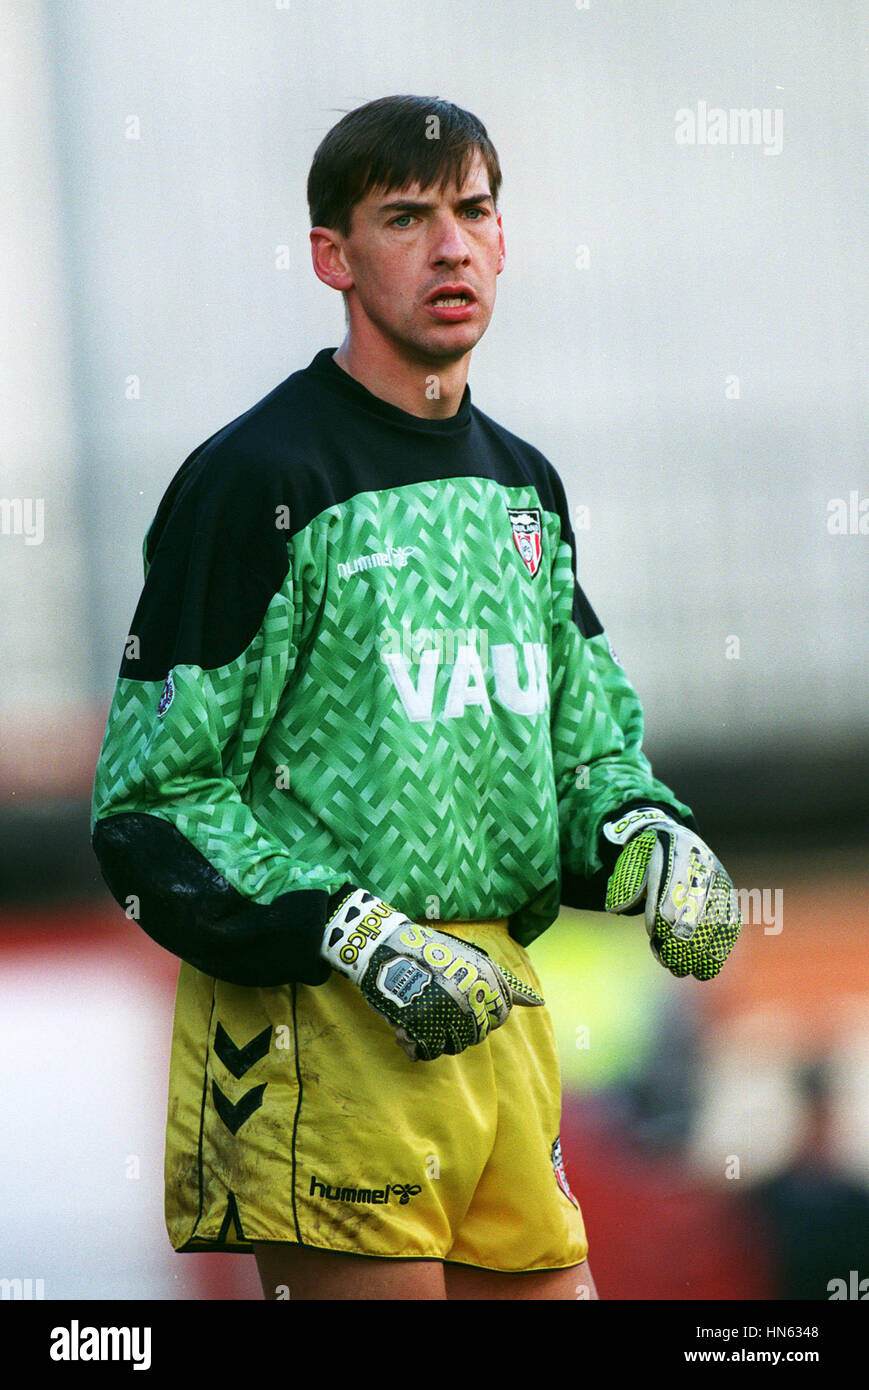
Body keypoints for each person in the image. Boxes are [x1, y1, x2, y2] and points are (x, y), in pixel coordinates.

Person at [91, 94, 741, 1301]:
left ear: (503, 240)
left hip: (501, 1021)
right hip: (322, 1027)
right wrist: (355, 933)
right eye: (406, 216)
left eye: (473, 211)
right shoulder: (256, 480)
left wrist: (644, 839)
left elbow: (584, 756)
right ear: (331, 258)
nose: (449, 245)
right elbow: (149, 802)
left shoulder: (524, 489)